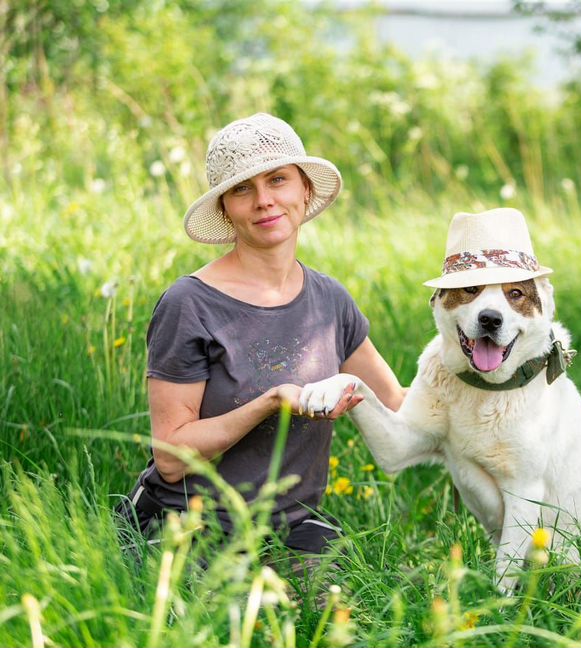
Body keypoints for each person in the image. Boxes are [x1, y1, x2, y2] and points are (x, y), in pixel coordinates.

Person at [116, 112, 404, 563]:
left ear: (304, 191)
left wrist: (495, 364)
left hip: (289, 525)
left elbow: (398, 404)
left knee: (349, 618)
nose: (264, 201)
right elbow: (171, 458)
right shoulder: (189, 304)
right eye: (243, 189)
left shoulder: (330, 301)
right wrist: (270, 402)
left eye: (278, 180)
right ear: (226, 209)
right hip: (191, 523)